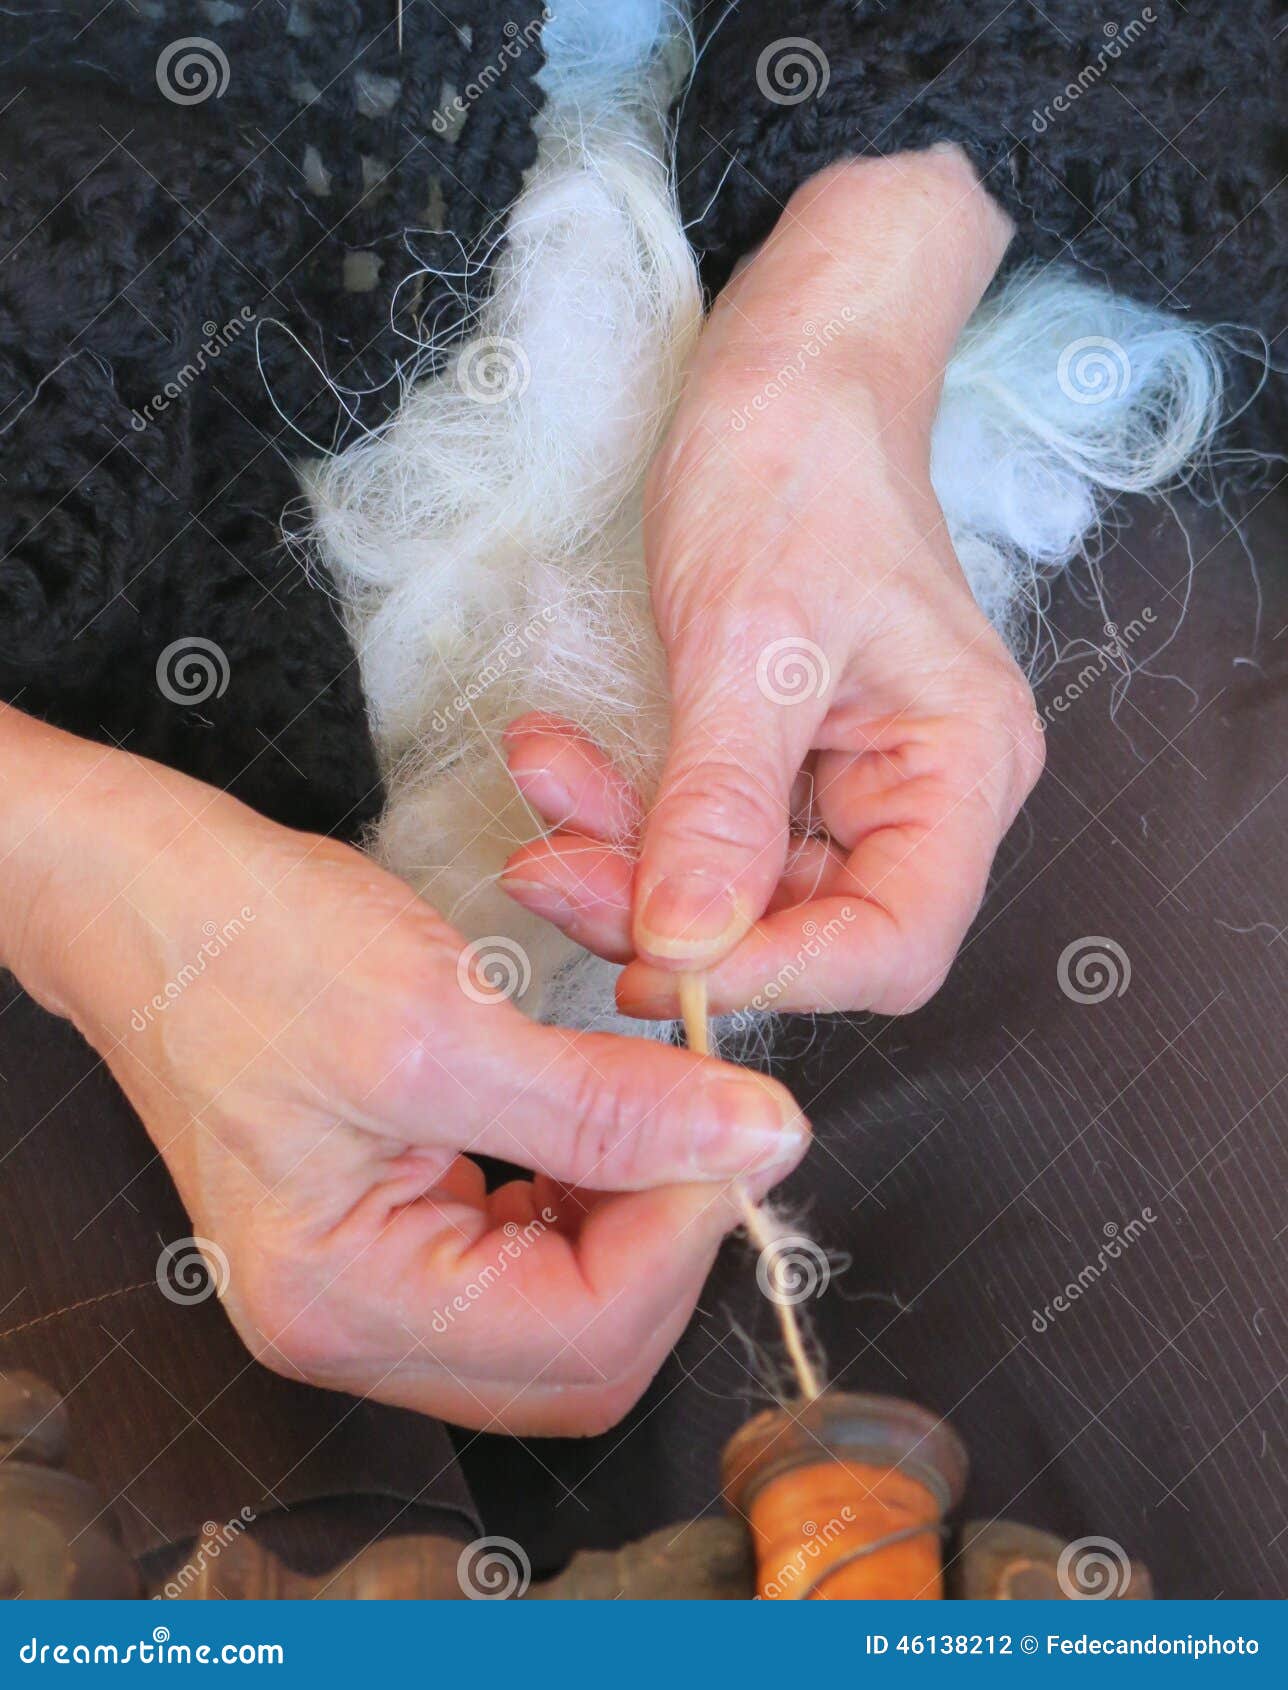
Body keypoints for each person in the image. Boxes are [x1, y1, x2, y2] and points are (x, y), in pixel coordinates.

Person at [0, 2, 1281, 1593]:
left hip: (938, 337)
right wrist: (59, 855)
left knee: (1210, 1418)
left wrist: (853, 307)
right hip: (49, 698)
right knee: (168, 1544)